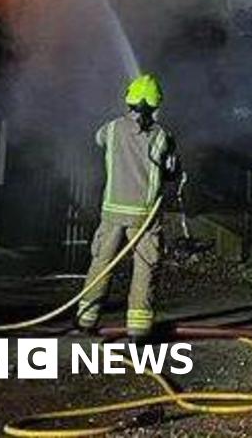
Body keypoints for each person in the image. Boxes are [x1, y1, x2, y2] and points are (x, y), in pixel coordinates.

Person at [76, 73, 181, 341]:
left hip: (112, 212)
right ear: (157, 105)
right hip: (144, 216)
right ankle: (138, 329)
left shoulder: (111, 129)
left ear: (129, 101)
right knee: (145, 267)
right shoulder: (161, 137)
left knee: (102, 262)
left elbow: (97, 140)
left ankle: (86, 319)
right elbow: (172, 170)